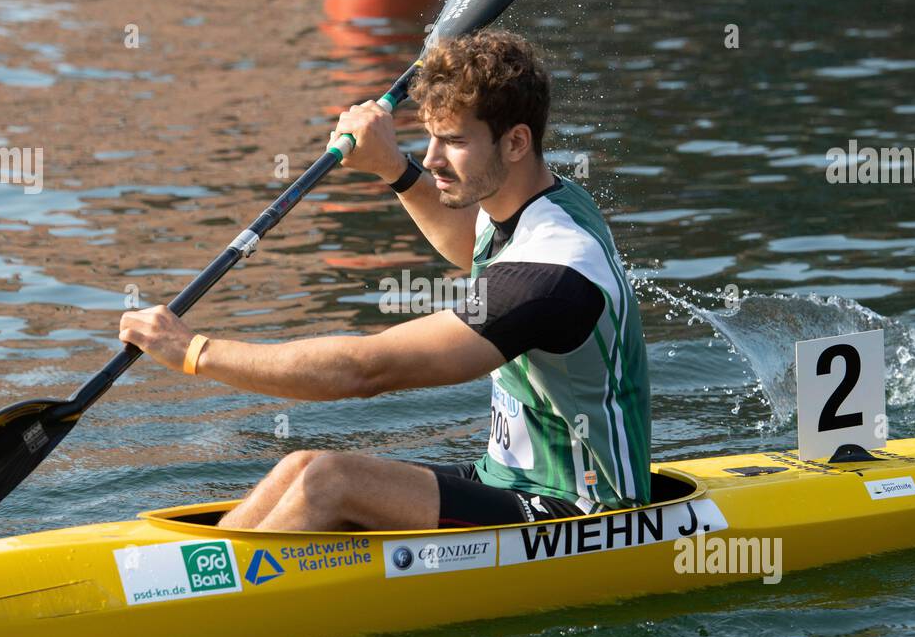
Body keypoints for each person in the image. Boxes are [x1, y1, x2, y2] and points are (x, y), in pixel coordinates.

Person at [118, 30, 651, 531]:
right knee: (297, 467)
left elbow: (363, 372)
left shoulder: (551, 274)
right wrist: (391, 167)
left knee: (330, 480)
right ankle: (194, 574)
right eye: (430, 139)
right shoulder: (536, 201)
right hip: (506, 479)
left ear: (515, 142)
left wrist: (193, 351)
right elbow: (471, 241)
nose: (434, 159)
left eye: (454, 142)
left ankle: (210, 611)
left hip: (585, 511)